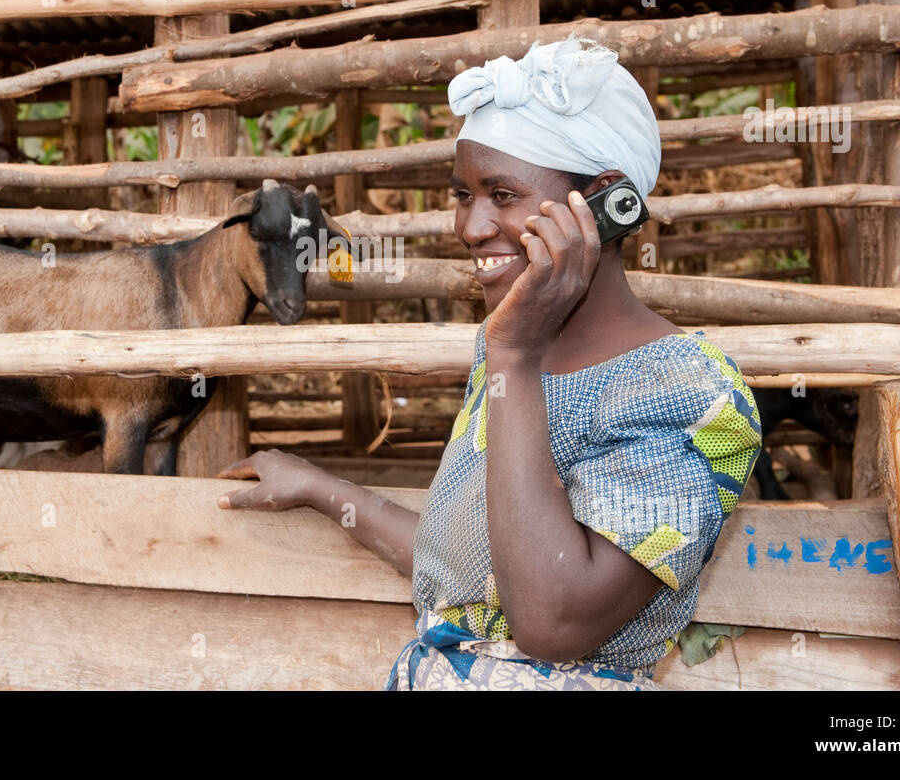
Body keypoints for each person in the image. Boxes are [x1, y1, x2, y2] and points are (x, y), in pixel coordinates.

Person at [215, 37, 763, 691]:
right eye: (463, 194)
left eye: (502, 194)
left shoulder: (685, 389)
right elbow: (476, 567)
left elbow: (552, 621)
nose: (471, 227)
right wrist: (321, 488)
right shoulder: (507, 350)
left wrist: (515, 356)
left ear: (606, 203)